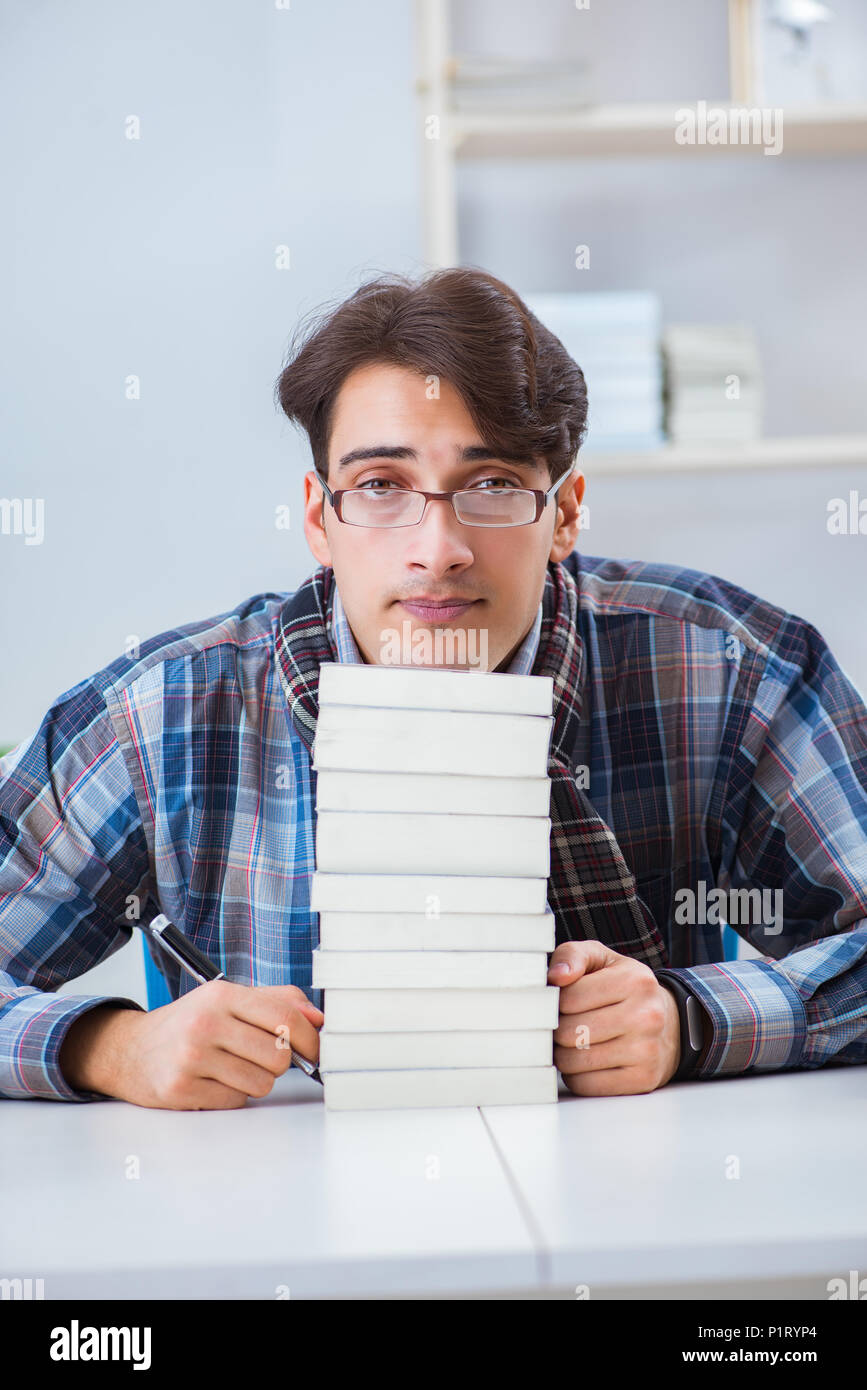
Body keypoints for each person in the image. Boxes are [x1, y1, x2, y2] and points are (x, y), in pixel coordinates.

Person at [1, 266, 865, 1110]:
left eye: (490, 485)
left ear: (563, 514)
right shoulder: (165, 713)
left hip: (626, 1204)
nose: (437, 548)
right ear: (318, 517)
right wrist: (109, 1046)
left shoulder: (729, 669)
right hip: (280, 1212)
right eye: (380, 487)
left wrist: (693, 1018)